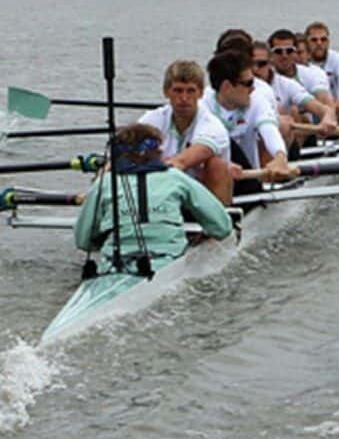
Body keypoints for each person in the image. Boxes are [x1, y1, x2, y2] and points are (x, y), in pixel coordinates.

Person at [73, 123, 234, 277]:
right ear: (157, 152)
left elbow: (83, 241)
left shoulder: (105, 183)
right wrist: (203, 238)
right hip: (168, 259)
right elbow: (222, 227)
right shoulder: (176, 178)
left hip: (113, 263)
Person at [137, 60, 235, 205]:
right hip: (164, 193)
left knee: (217, 165)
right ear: (166, 92)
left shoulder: (212, 126)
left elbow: (181, 162)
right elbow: (124, 150)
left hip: (202, 199)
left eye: (190, 91)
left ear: (201, 93)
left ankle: (220, 224)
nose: (184, 98)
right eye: (178, 90)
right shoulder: (152, 119)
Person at [201, 48, 291, 184]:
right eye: (248, 83)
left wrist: (280, 157)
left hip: (247, 180)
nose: (253, 88)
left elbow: (270, 131)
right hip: (215, 179)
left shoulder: (257, 101)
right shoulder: (203, 104)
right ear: (226, 87)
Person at [301, 22, 339, 120]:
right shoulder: (301, 60)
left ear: (328, 42)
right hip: (312, 107)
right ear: (306, 43)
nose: (319, 43)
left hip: (338, 106)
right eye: (314, 40)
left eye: (323, 39)